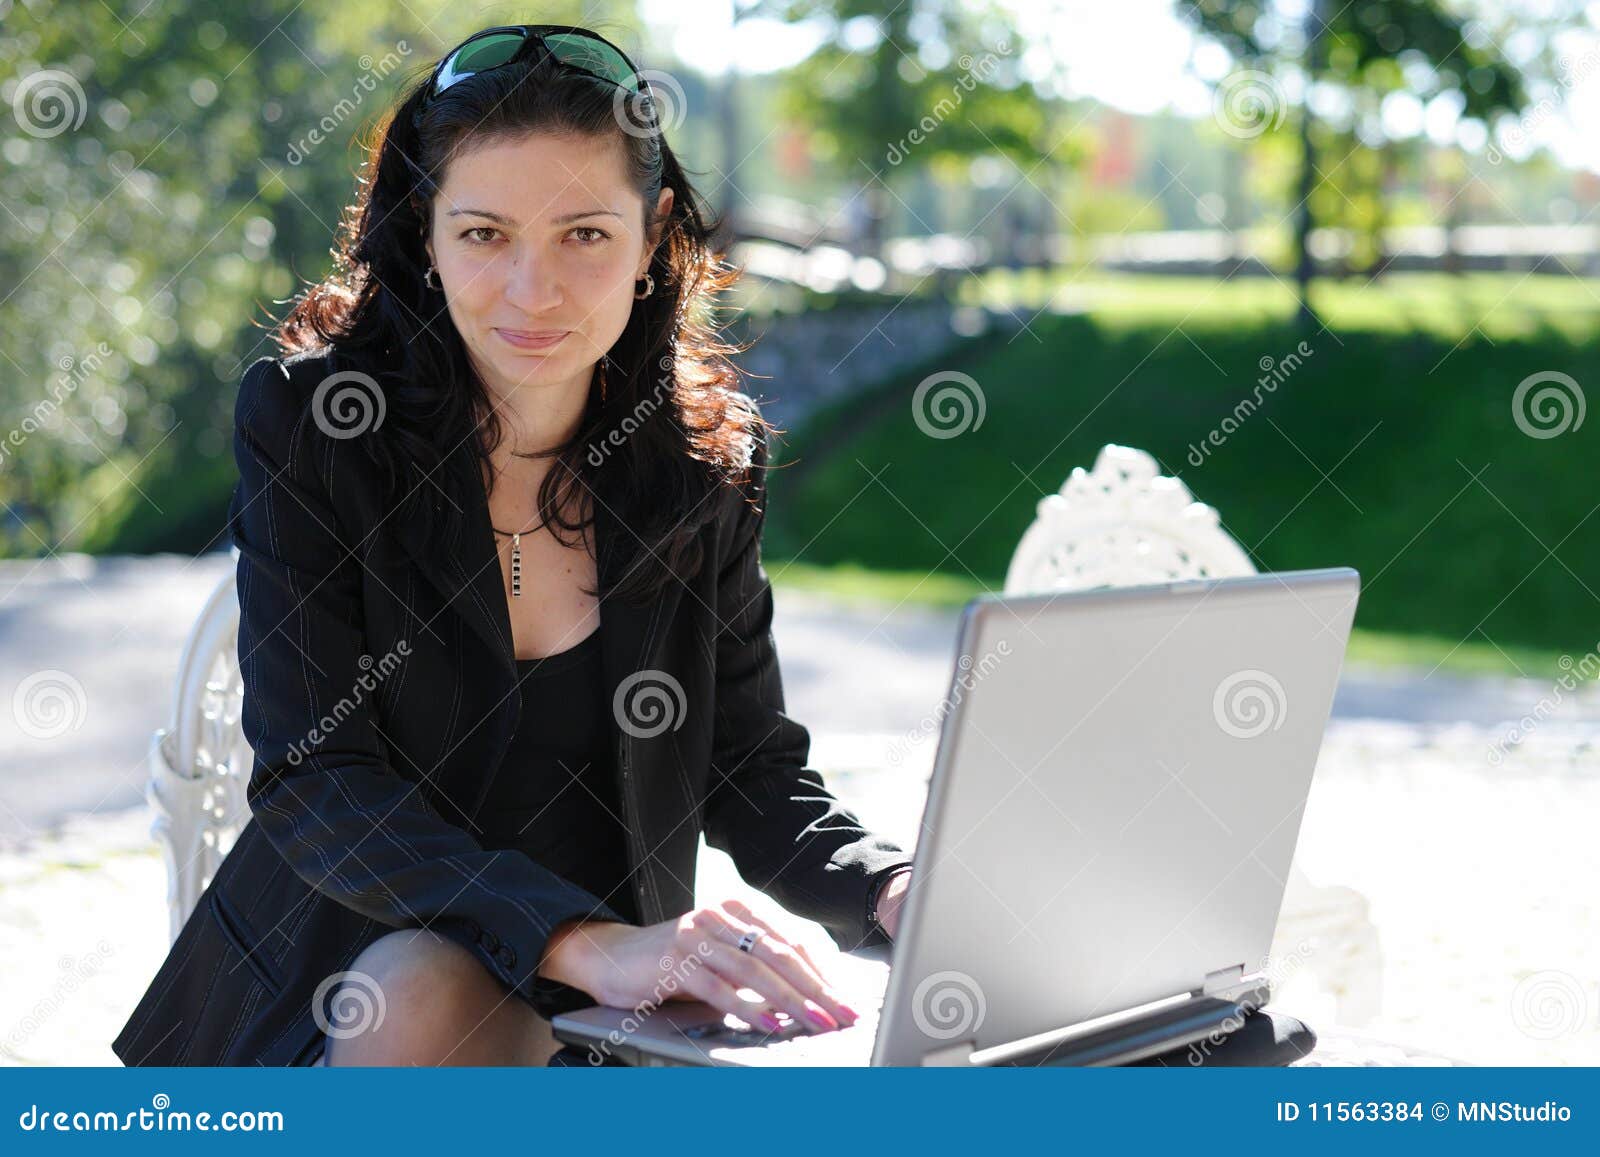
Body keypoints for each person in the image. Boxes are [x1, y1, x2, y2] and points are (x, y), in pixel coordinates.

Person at [111, 22, 915, 1068]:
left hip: (598, 1023)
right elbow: (318, 778)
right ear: (424, 229)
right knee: (426, 986)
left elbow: (745, 762)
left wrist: (892, 887)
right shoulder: (317, 427)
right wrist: (583, 941)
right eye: (485, 234)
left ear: (651, 234)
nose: (533, 292)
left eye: (584, 234)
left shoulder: (708, 467)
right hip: (325, 997)